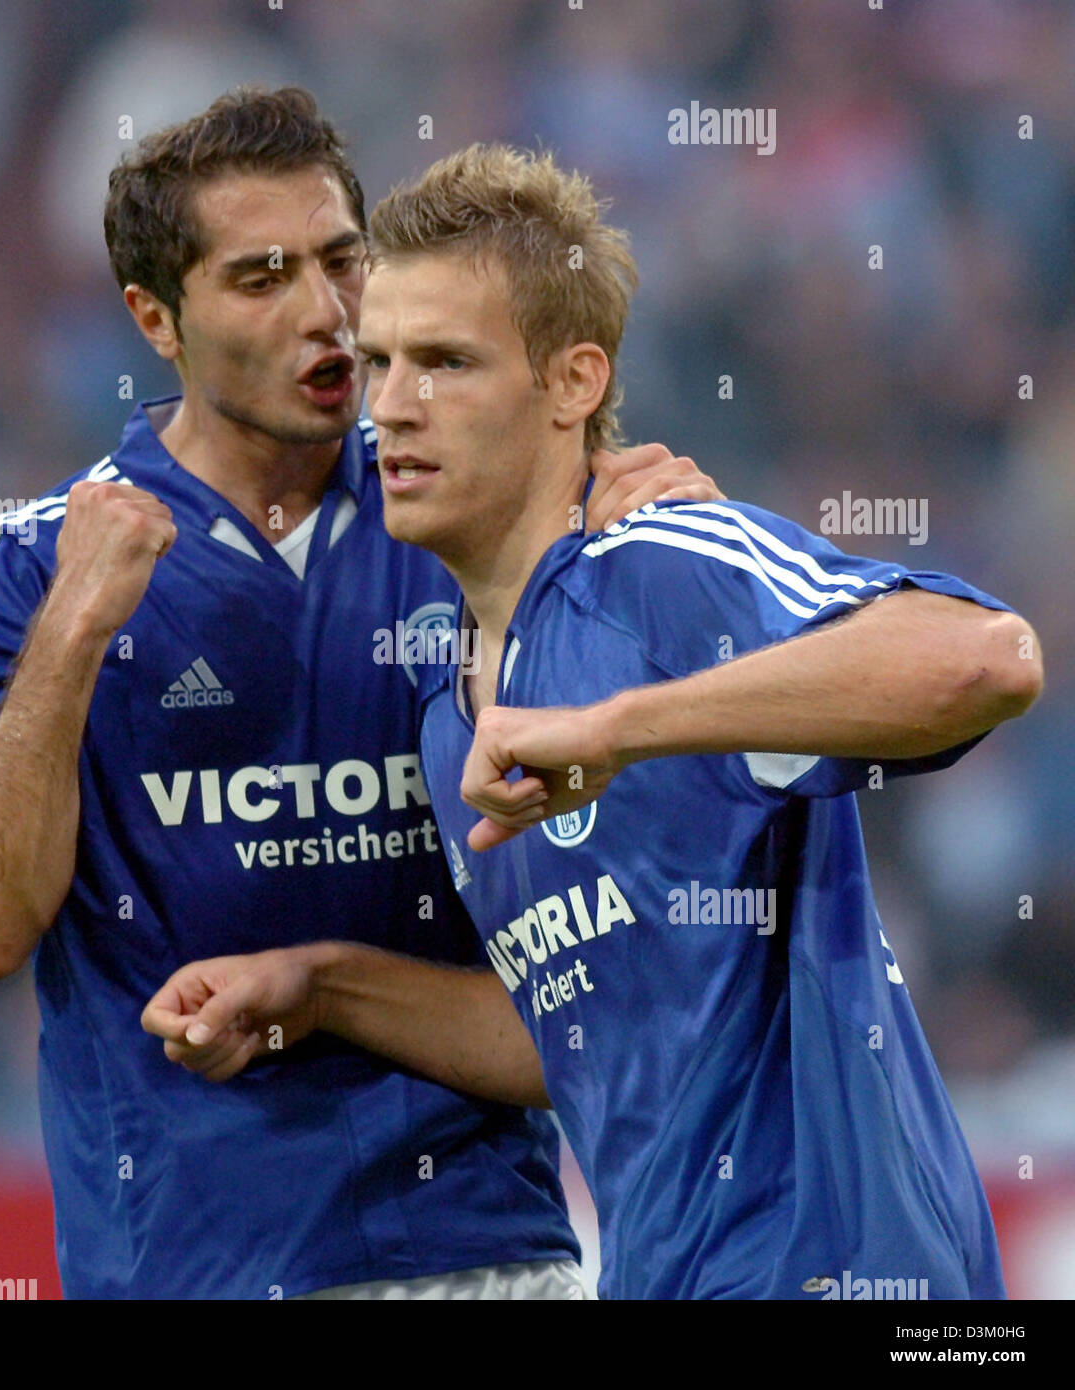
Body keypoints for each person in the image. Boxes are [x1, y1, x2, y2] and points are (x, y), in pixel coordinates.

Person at [147, 144, 1044, 1300]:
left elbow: (987, 657)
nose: (393, 407)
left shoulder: (659, 564)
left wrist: (620, 725)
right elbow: (564, 1033)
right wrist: (321, 985)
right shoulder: (448, 704)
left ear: (573, 384)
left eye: (445, 363)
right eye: (378, 362)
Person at [0, 89, 721, 1300]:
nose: (328, 314)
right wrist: (75, 629)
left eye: (343, 259)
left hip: (485, 1249)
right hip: (188, 1265)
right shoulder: (24, 569)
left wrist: (658, 551)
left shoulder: (482, 510)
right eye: (262, 277)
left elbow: (617, 967)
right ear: (155, 318)